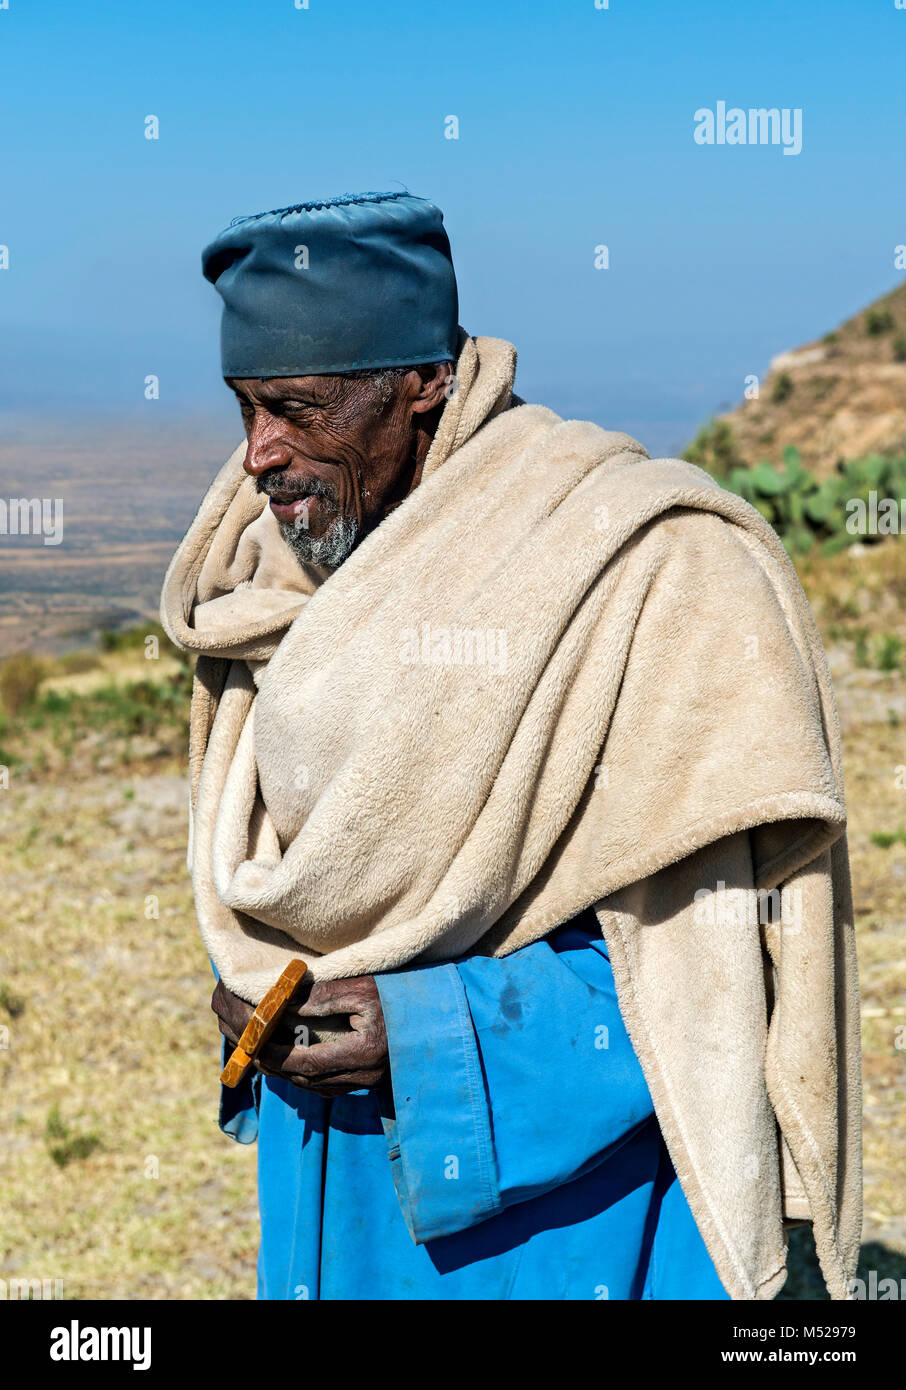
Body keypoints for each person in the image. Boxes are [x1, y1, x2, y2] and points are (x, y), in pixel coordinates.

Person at [161, 191, 861, 1301]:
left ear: (424, 383)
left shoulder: (644, 572)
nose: (257, 456)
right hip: (333, 1186)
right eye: (245, 409)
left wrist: (435, 1038)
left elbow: (716, 960)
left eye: (296, 408)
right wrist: (249, 981)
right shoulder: (270, 575)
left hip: (574, 1224)